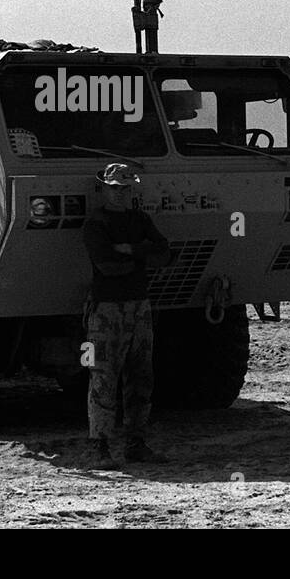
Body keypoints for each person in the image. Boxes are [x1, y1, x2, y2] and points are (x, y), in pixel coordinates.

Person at [80, 162, 171, 468]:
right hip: (106, 307)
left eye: (126, 188)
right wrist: (142, 258)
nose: (120, 193)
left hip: (138, 305)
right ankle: (100, 447)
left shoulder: (139, 219)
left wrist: (129, 250)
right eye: (115, 188)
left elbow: (165, 253)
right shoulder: (96, 223)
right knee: (103, 377)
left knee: (141, 377)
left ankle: (135, 442)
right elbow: (106, 266)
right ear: (104, 189)